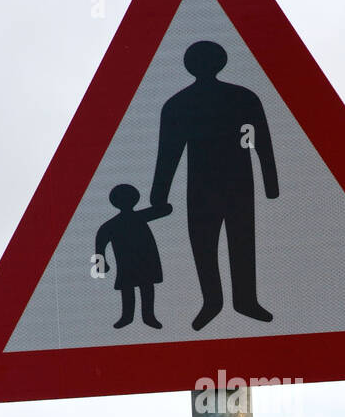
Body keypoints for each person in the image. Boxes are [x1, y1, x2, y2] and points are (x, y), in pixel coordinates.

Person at [150, 40, 279, 331]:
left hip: (235, 185)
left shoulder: (242, 98)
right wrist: (159, 195)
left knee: (240, 241)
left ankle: (245, 300)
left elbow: (262, 142)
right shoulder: (179, 105)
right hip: (203, 188)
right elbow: (168, 153)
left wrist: (271, 184)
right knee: (205, 244)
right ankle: (213, 302)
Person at [94, 184, 171, 329]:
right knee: (129, 288)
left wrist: (160, 199)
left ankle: (148, 316)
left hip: (145, 260)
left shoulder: (119, 222)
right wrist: (100, 264)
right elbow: (100, 243)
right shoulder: (113, 224)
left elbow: (165, 210)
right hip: (127, 262)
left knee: (145, 286)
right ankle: (127, 317)